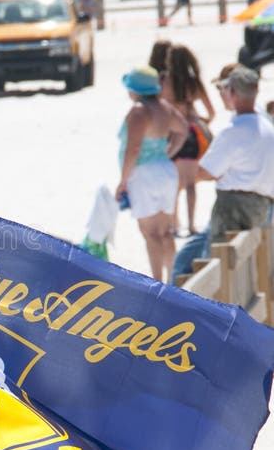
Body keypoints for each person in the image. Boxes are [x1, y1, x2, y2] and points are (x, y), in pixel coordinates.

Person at [115, 66, 189, 282]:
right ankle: (172, 282)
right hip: (165, 170)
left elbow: (133, 149)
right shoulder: (165, 108)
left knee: (150, 233)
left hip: (144, 173)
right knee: (165, 232)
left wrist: (123, 181)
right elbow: (183, 129)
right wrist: (168, 152)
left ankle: (158, 283)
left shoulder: (139, 112)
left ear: (135, 89)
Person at [197, 66, 274, 242]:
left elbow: (205, 172)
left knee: (221, 253)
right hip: (262, 206)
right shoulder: (267, 127)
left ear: (231, 92)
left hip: (233, 207)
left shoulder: (232, 132)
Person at [160, 45, 216, 235]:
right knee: (190, 183)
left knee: (174, 182)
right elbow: (211, 113)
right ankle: (191, 225)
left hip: (171, 133)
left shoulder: (164, 81)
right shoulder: (194, 84)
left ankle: (174, 224)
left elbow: (160, 108)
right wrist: (198, 120)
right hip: (191, 133)